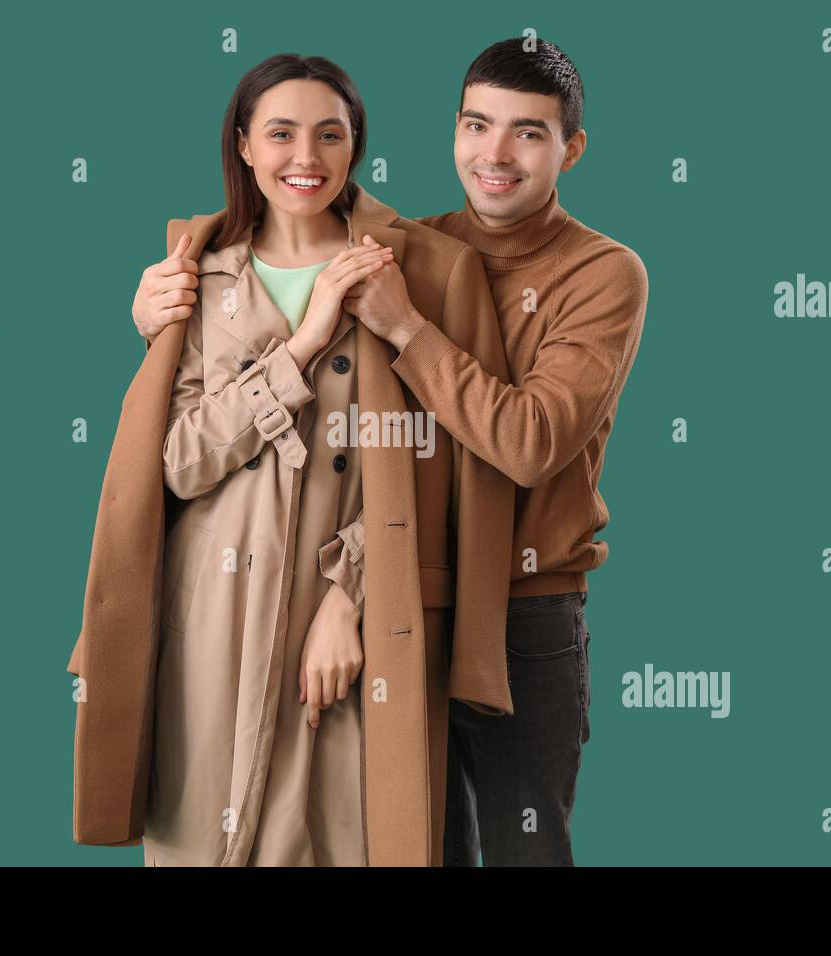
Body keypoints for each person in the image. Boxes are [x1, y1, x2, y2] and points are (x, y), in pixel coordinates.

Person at [136, 39, 649, 866]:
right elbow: (389, 458)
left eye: (528, 133)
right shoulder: (416, 247)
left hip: (522, 608)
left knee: (527, 849)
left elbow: (525, 443)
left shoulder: (601, 273)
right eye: (478, 125)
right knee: (411, 843)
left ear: (571, 149)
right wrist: (157, 317)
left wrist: (405, 325)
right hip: (414, 600)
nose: (495, 153)